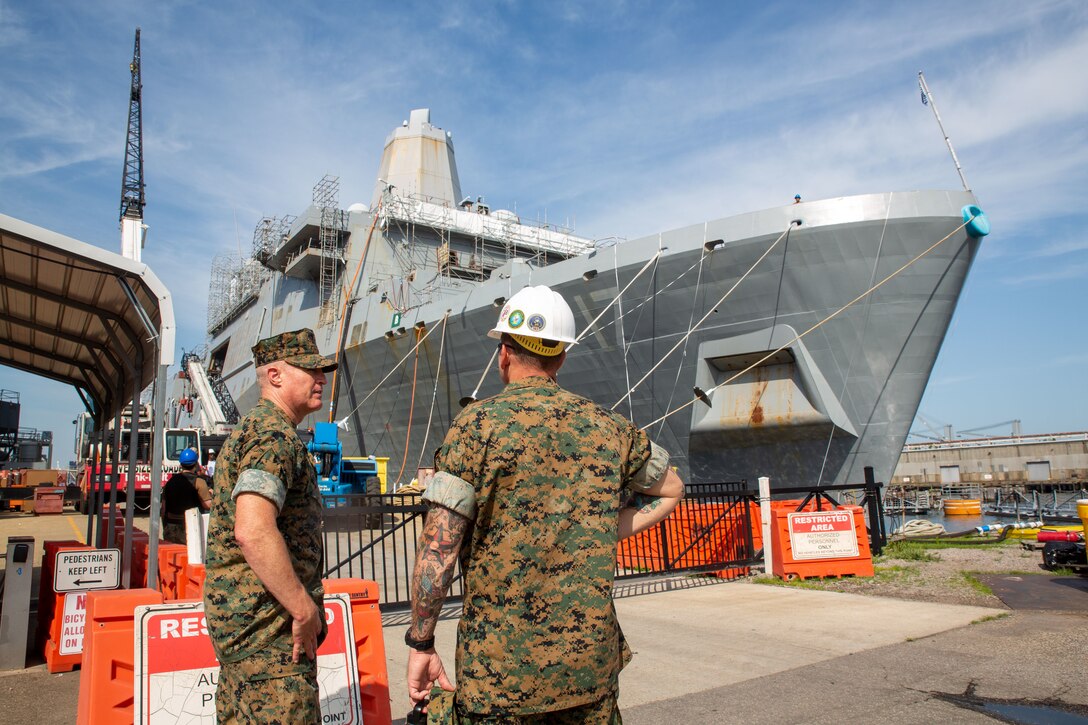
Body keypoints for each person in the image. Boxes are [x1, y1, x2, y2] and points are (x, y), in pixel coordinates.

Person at [406, 285, 685, 724]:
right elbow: (671, 490)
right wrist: (600, 528)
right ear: (562, 357)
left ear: (504, 353)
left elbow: (438, 548)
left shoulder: (476, 426)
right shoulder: (610, 428)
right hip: (589, 671)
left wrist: (421, 643)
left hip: (499, 675)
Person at [203, 329, 337, 723]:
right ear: (275, 376)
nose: (322, 379)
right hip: (271, 642)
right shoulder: (273, 436)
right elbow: (253, 529)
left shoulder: (255, 430)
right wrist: (302, 609)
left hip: (248, 638)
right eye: (310, 370)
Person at [160, 447, 212, 545]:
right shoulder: (199, 482)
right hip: (191, 528)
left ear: (180, 464)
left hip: (171, 528)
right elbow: (207, 505)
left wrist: (166, 527)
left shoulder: (170, 482)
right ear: (196, 464)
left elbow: (163, 509)